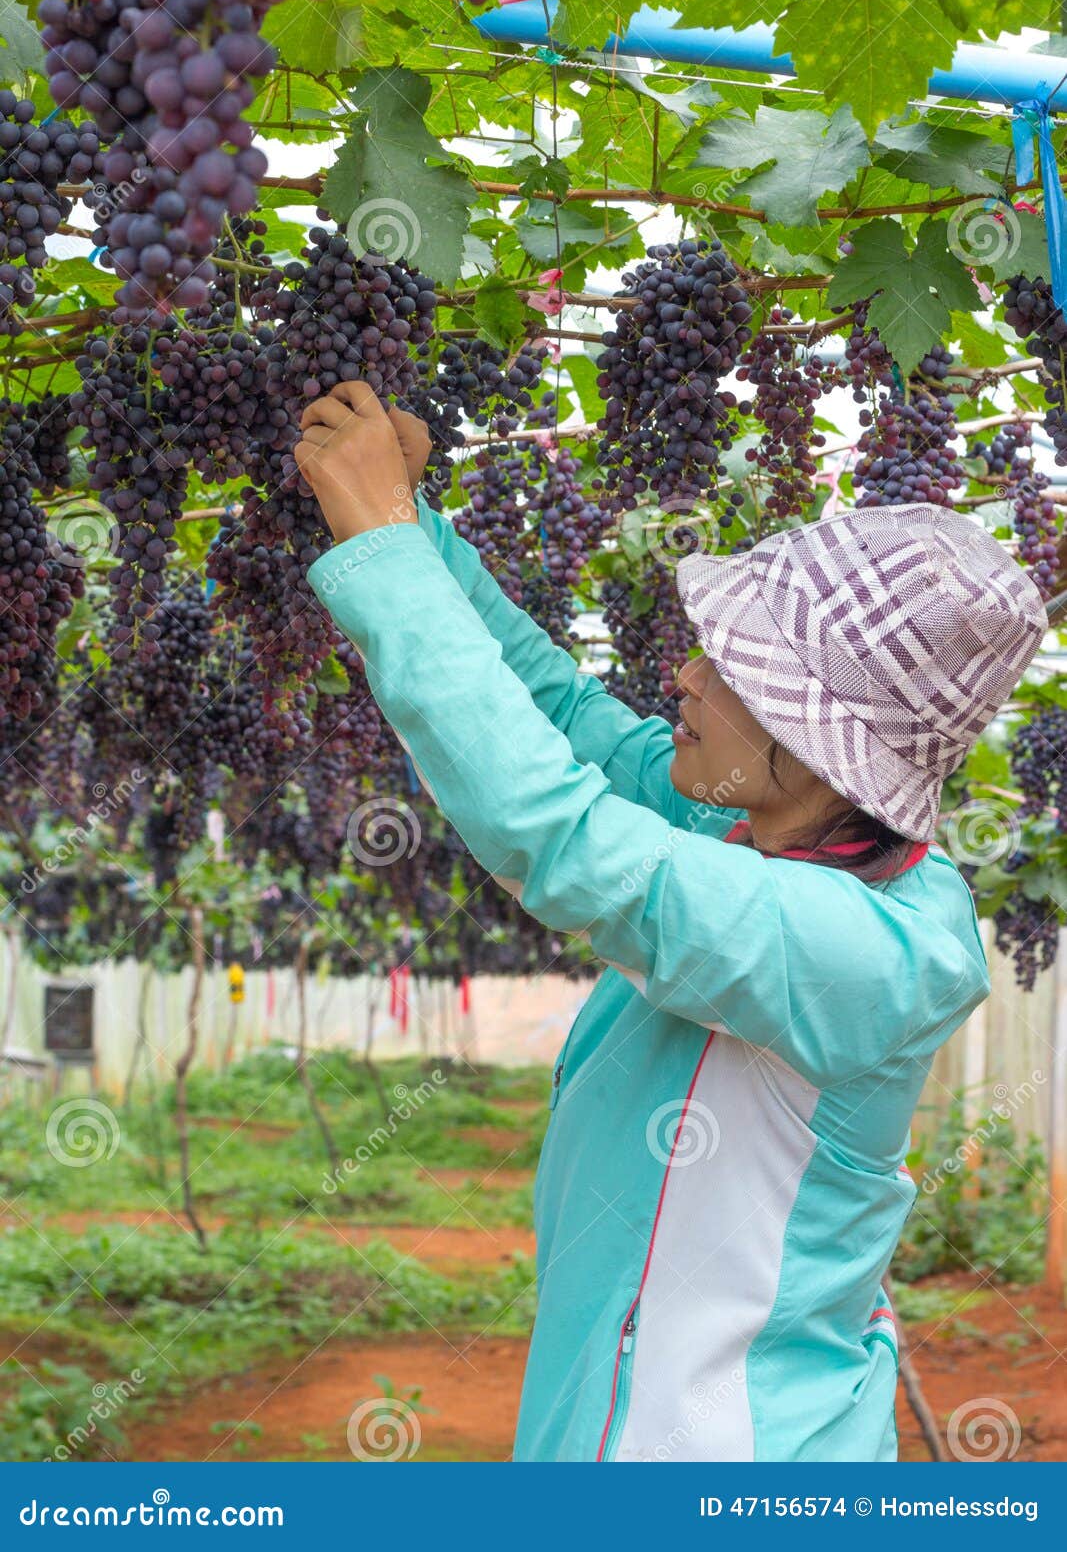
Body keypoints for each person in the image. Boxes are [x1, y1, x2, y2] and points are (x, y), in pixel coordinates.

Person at [296, 380, 1046, 1463]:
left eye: (736, 668)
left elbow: (559, 837)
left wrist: (383, 552)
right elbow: (563, 714)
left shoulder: (877, 951)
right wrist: (414, 524)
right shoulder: (752, 826)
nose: (684, 673)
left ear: (823, 741)